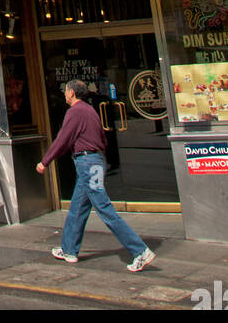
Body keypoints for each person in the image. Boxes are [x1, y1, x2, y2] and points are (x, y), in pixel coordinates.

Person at [37, 79, 155, 272]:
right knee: (77, 207)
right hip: (94, 161)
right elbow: (102, 138)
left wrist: (45, 162)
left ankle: (140, 250)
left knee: (103, 207)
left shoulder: (75, 112)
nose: (64, 94)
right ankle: (69, 250)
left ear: (72, 93)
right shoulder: (90, 110)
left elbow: (63, 139)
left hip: (87, 163)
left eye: (66, 91)